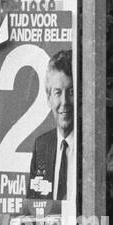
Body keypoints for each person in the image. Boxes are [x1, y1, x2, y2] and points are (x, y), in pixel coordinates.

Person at [27, 49, 76, 206]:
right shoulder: (41, 146)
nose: (64, 102)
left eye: (71, 92)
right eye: (57, 92)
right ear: (48, 97)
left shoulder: (90, 145)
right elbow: (34, 203)